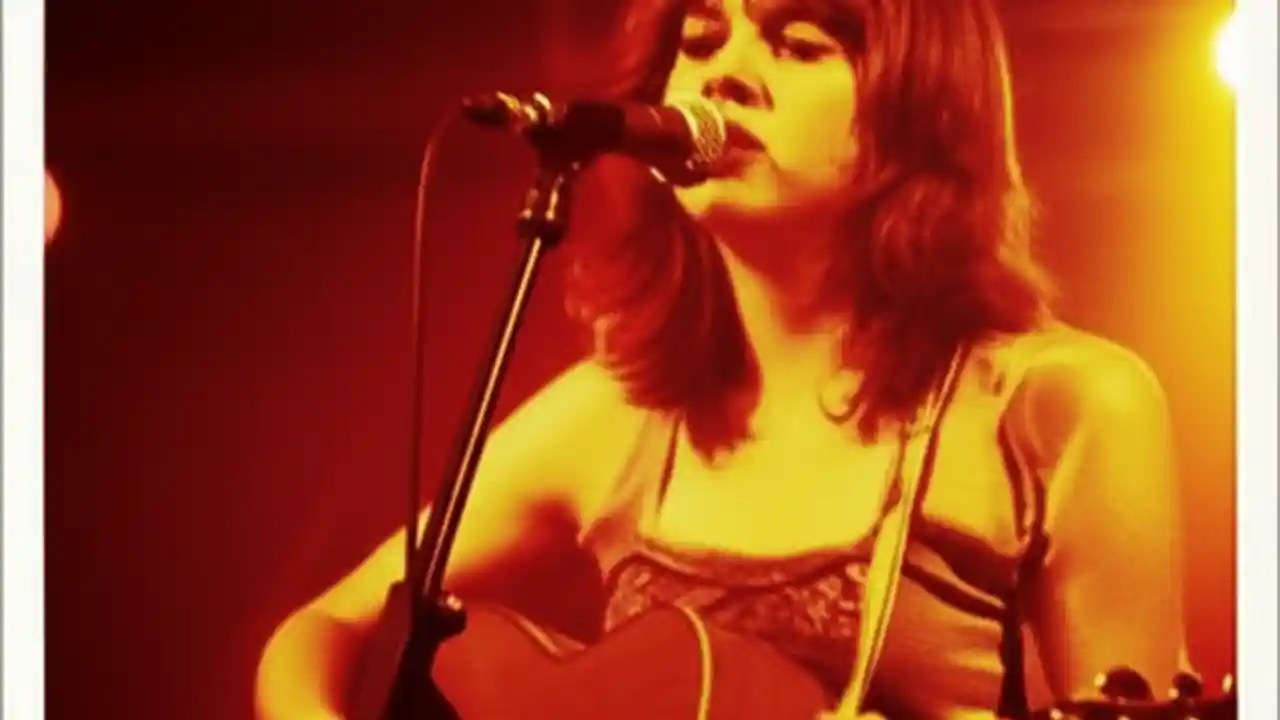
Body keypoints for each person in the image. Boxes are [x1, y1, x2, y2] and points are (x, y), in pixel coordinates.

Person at [255, 0, 1192, 717]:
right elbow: (326, 630)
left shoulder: (1061, 406)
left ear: (922, 104)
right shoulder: (619, 416)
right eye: (700, 41)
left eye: (797, 42)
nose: (726, 77)